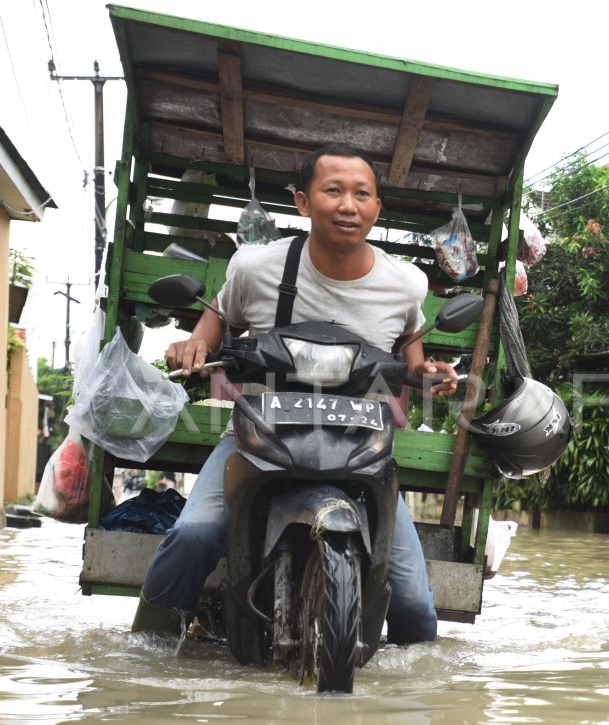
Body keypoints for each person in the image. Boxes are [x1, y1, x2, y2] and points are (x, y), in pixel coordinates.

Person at [134, 143, 458, 645]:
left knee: (414, 599)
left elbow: (410, 346)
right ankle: (145, 651)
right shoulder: (255, 268)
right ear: (304, 203)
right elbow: (218, 317)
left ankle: (410, 692)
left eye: (362, 194)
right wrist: (196, 343)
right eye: (333, 191)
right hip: (260, 432)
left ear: (377, 207)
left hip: (360, 440)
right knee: (194, 535)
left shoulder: (405, 283)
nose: (348, 205)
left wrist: (427, 372)